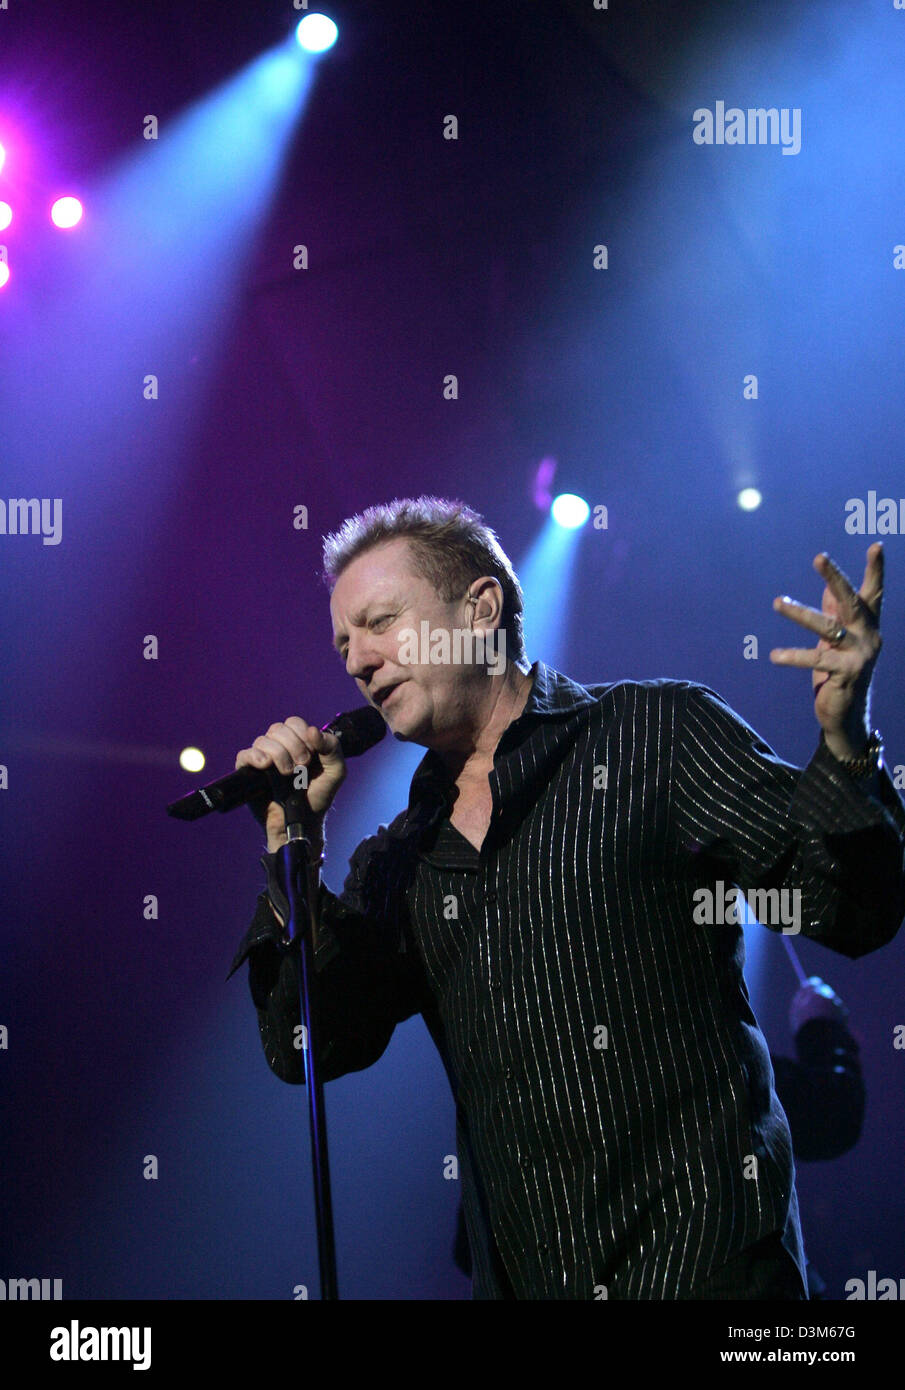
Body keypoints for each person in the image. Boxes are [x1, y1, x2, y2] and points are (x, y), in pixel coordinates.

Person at [227, 496, 905, 1299]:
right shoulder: (399, 857)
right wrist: (290, 849)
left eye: (379, 622)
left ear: (478, 609)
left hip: (708, 1271)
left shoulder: (656, 732)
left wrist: (844, 741)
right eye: (343, 643)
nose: (357, 660)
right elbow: (311, 1043)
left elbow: (846, 908)